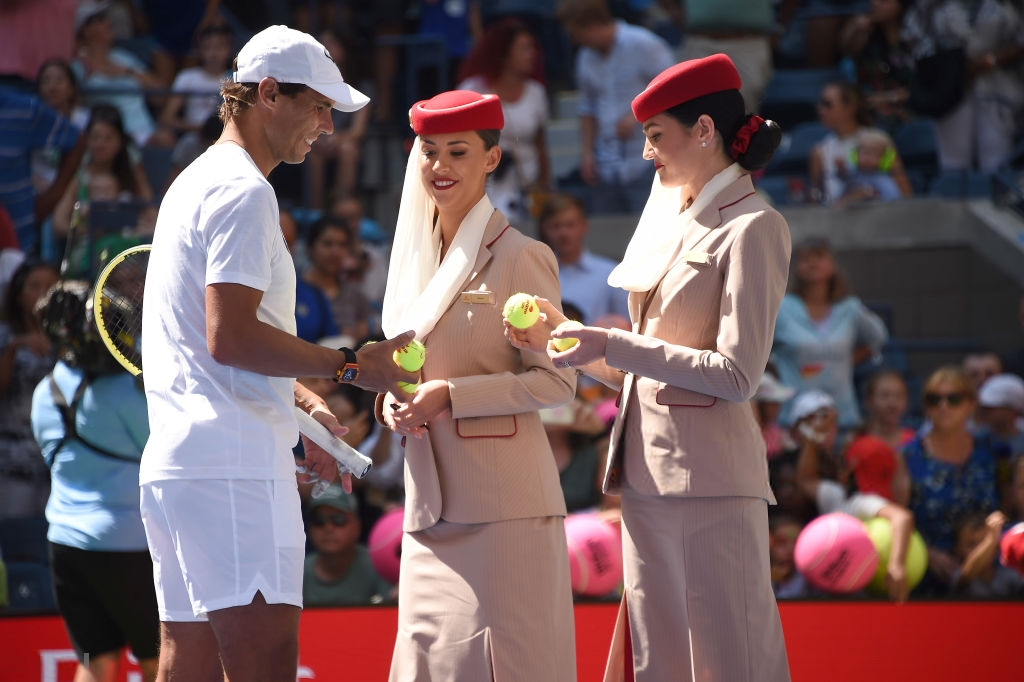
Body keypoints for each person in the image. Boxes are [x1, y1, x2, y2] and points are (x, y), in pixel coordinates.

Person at [137, 25, 417, 682]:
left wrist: (296, 403)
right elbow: (228, 338)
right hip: (230, 468)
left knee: (189, 664)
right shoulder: (245, 192)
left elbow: (202, 341)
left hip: (183, 466)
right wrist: (353, 366)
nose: (326, 124)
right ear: (267, 93)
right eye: (318, 105)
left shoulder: (196, 180)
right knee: (262, 669)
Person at [510, 53, 791, 681]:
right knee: (659, 662)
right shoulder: (684, 220)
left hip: (712, 483)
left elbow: (736, 374)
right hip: (649, 476)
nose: (646, 154)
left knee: (730, 659)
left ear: (704, 131)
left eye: (655, 136)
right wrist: (554, 339)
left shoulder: (754, 226)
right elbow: (649, 374)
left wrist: (613, 344)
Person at [378, 89, 578, 681]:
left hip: (505, 507)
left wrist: (452, 396)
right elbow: (411, 367)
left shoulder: (523, 256)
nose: (439, 166)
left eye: (457, 152)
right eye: (428, 151)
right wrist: (396, 400)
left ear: (491, 159)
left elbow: (556, 384)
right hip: (429, 502)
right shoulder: (411, 259)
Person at [30, 280, 159, 682]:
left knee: (96, 661)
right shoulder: (122, 392)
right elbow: (162, 450)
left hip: (65, 543)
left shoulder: (43, 391)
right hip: (127, 545)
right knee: (160, 661)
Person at [790, 389, 916, 602]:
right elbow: (807, 481)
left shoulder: (857, 499)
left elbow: (903, 518)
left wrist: (896, 565)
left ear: (846, 472)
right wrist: (896, 565)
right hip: (849, 586)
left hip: (858, 587)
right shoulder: (844, 497)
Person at [556, 0, 675, 214]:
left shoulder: (643, 43)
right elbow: (587, 108)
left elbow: (672, 88)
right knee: (609, 233)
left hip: (648, 157)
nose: (574, 41)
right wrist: (587, 154)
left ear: (592, 25)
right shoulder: (585, 58)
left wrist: (636, 117)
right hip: (606, 161)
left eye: (576, 34)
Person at [771, 236, 889, 432]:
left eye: (819, 256)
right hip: (793, 420)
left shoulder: (850, 308)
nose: (812, 263)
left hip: (842, 419)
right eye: (805, 258)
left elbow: (878, 337)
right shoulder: (781, 308)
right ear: (796, 268)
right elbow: (758, 350)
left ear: (833, 265)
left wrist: (845, 360)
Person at [904, 365, 999, 595]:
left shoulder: (990, 454)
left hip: (987, 579)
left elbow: (1003, 510)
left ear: (970, 405)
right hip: (925, 578)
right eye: (934, 399)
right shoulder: (906, 457)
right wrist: (926, 553)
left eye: (953, 399)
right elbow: (897, 519)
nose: (943, 406)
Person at [902, 0, 1024, 173]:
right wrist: (948, 62)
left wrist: (989, 61)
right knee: (953, 162)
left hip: (999, 87)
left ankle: (999, 199)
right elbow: (911, 34)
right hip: (947, 86)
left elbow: (1020, 39)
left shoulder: (1011, 4)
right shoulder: (930, 4)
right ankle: (953, 198)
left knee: (997, 157)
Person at [457, 18, 552, 223]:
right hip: (483, 187)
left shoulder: (536, 93)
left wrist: (545, 187)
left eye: (532, 48)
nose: (532, 54)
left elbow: (541, 145)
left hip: (525, 187)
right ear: (503, 53)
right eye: (524, 49)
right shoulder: (473, 89)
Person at [0, 258, 59, 520]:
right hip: (11, 461)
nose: (43, 294)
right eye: (35, 286)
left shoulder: (69, 337)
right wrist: (14, 348)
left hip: (53, 458)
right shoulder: (4, 335)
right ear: (19, 293)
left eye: (51, 286)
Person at [807, 81, 912, 205]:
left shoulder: (879, 141)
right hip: (838, 220)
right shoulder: (819, 152)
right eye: (820, 103)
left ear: (850, 107)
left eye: (827, 104)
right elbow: (815, 203)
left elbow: (905, 192)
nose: (820, 109)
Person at [536, 192, 630, 325]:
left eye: (570, 225)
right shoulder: (536, 272)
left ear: (584, 226)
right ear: (544, 229)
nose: (564, 233)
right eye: (556, 226)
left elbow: (629, 324)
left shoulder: (611, 273)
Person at [302, 483, 394, 606]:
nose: (328, 528)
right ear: (310, 528)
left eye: (338, 519)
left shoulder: (379, 566)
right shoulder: (298, 574)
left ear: (356, 526)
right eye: (319, 521)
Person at [838, 0, 915, 134]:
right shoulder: (865, 32)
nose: (875, 3)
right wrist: (856, 30)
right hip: (871, 104)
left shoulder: (916, 36)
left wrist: (890, 97)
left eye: (883, 1)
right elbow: (847, 49)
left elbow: (928, 85)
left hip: (912, 103)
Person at [300, 215, 371, 343]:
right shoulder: (293, 291)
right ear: (310, 248)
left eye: (342, 245)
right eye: (327, 244)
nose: (335, 252)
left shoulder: (355, 295)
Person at [834, 128, 911, 205]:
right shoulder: (853, 171)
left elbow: (893, 203)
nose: (868, 158)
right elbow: (843, 176)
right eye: (865, 152)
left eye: (875, 154)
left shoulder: (884, 181)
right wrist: (840, 168)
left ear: (885, 160)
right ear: (855, 155)